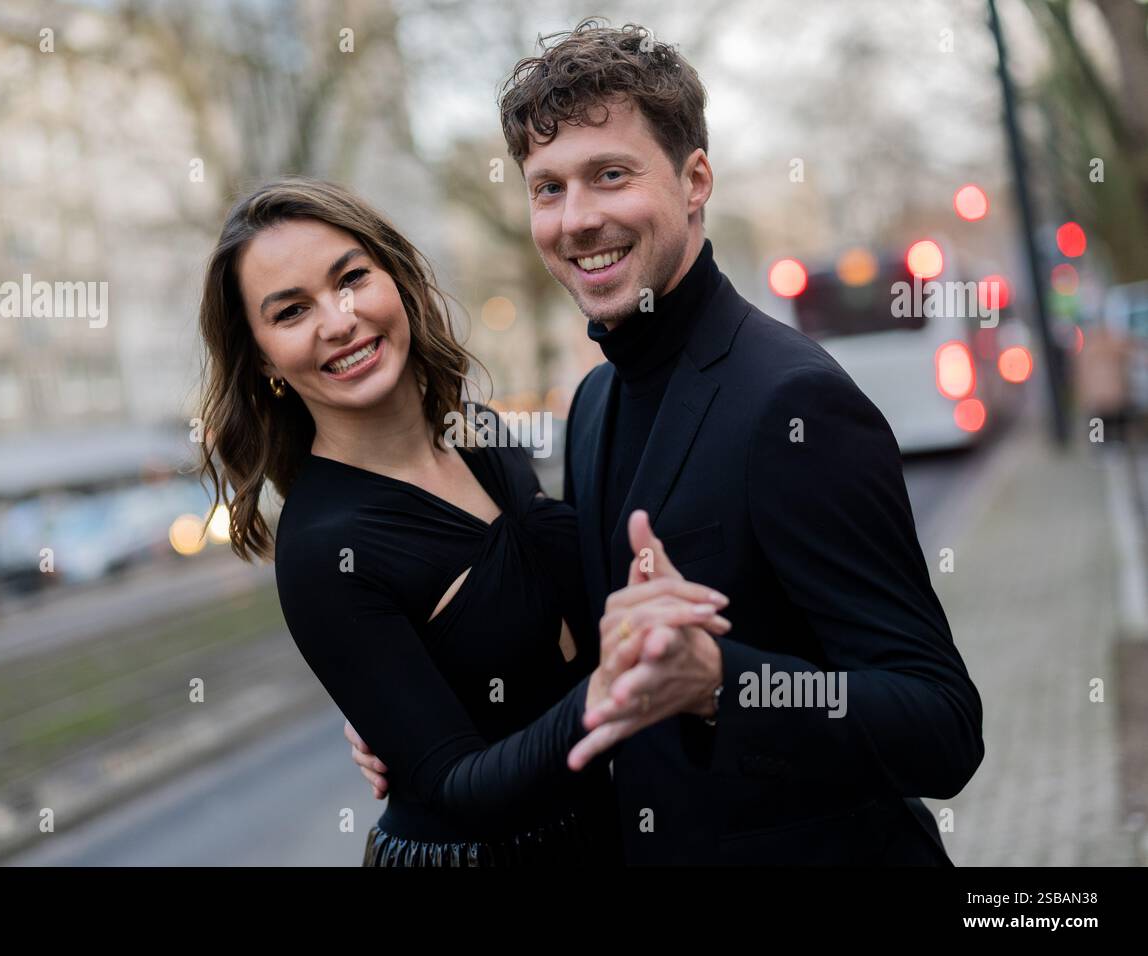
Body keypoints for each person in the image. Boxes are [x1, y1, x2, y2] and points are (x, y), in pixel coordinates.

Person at [350, 19, 985, 865]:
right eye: (548, 189)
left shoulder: (793, 405)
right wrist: (434, 708)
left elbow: (942, 725)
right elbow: (602, 658)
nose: (577, 220)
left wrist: (723, 681)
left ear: (695, 181)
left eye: (610, 176)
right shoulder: (595, 401)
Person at [195, 176, 730, 866]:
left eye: (351, 279)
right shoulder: (324, 548)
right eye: (292, 311)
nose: (338, 320)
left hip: (603, 829)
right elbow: (456, 786)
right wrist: (607, 694)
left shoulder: (477, 432)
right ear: (264, 357)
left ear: (397, 278)